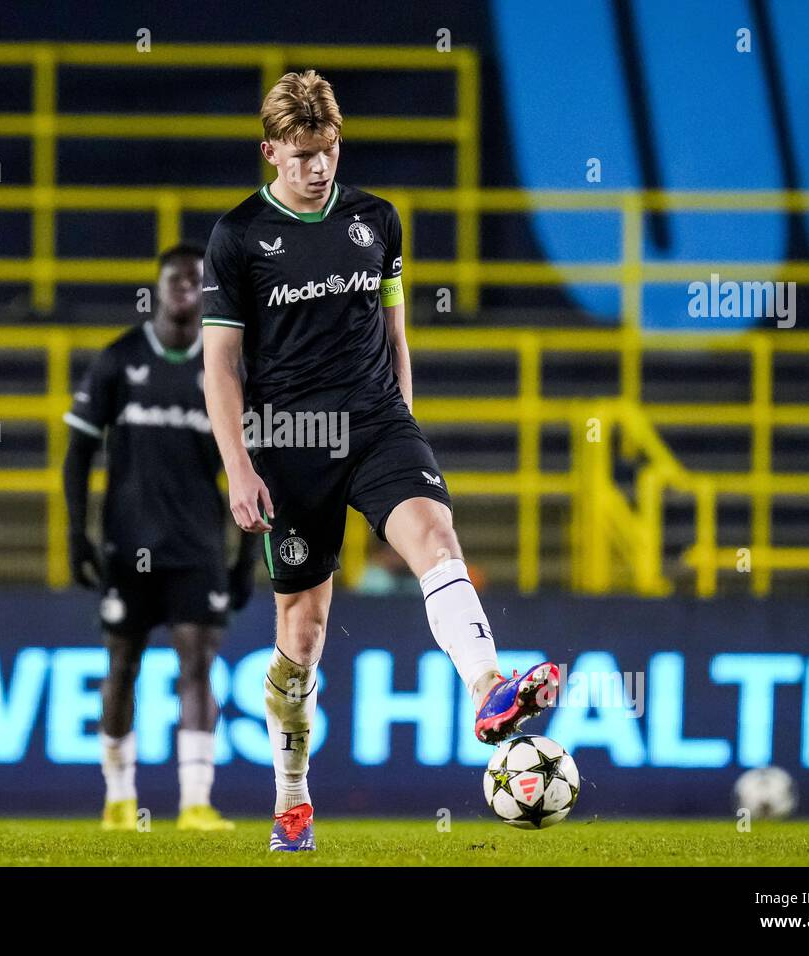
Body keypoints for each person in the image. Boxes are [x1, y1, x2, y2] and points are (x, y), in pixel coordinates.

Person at [200, 70, 560, 852]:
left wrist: (402, 426)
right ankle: (291, 796)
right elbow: (220, 366)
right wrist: (239, 466)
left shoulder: (377, 221)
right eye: (300, 154)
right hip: (291, 445)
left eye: (327, 150)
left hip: (374, 422)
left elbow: (396, 335)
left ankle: (490, 688)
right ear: (271, 152)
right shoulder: (235, 239)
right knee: (303, 630)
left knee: (436, 537)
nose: (317, 167)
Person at [64, 243, 257, 832]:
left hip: (198, 546)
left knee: (198, 662)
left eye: (196, 280)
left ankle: (195, 801)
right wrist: (76, 534)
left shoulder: (225, 370)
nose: (184, 289)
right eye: (175, 279)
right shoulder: (120, 360)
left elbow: (251, 465)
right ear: (158, 286)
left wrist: (247, 555)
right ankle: (119, 797)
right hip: (128, 544)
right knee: (122, 663)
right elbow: (78, 453)